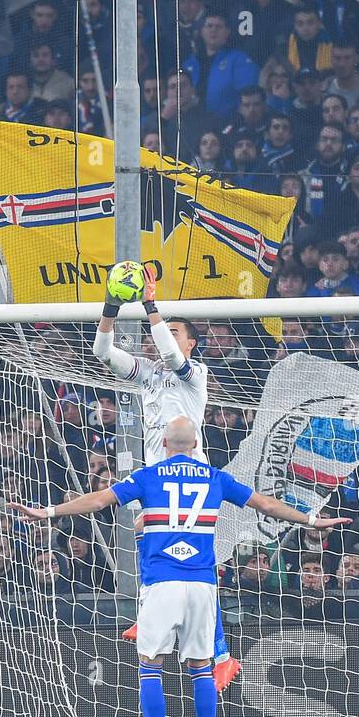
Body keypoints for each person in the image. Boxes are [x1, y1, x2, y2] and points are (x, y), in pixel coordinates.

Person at [9, 415, 349, 717]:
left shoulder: (149, 476)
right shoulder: (215, 478)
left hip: (163, 581)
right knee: (201, 667)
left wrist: (47, 511)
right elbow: (266, 504)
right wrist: (312, 521)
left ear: (165, 446)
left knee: (150, 666)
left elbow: (98, 501)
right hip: (202, 584)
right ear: (198, 446)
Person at [91, 266, 243, 690]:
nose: (163, 336)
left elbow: (173, 357)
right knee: (153, 549)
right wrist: (112, 304)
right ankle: (148, 619)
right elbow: (102, 350)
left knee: (192, 565)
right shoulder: (147, 376)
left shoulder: (195, 377)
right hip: (157, 477)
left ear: (192, 343)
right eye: (162, 330)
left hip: (190, 480)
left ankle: (224, 656)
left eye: (175, 331)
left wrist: (151, 305)